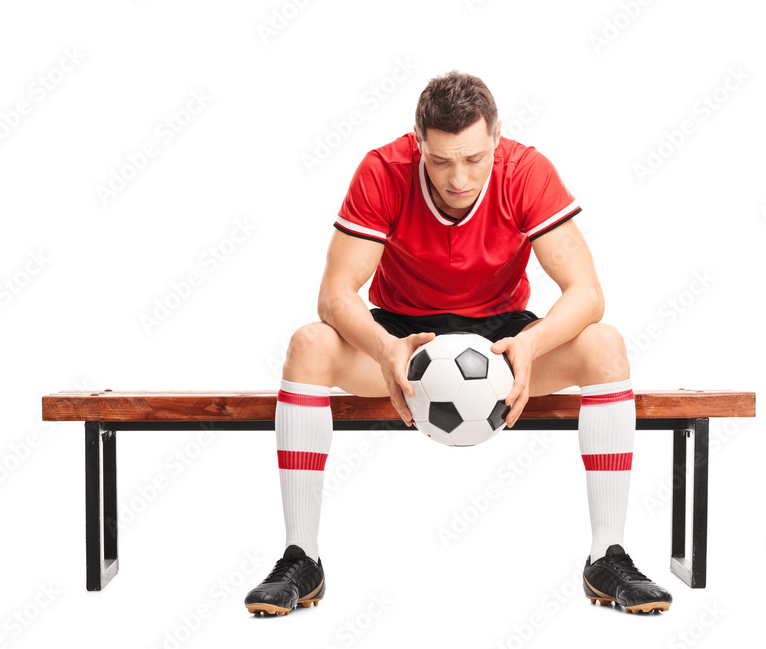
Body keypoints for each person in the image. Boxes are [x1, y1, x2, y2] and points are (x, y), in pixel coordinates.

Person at [244, 70, 672, 616]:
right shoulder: (384, 169)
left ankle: (607, 556)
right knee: (308, 343)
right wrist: (384, 348)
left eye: (474, 159)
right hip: (404, 338)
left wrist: (532, 343)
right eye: (441, 160)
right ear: (418, 141)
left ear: (496, 137)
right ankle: (300, 558)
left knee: (605, 345)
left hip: (501, 342)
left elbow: (586, 293)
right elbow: (334, 297)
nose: (458, 178)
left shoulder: (524, 170)